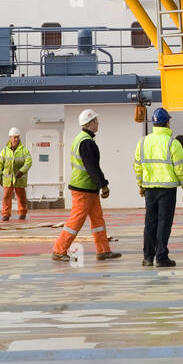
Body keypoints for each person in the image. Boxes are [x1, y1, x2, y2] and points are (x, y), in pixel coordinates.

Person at [52, 108, 121, 262]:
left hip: (88, 188)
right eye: (96, 121)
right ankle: (59, 250)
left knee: (97, 220)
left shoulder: (82, 139)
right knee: (75, 221)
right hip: (83, 189)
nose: (98, 123)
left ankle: (103, 251)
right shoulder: (86, 142)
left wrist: (100, 185)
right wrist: (103, 185)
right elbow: (92, 167)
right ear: (91, 123)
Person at [133, 107, 183, 268]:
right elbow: (181, 168)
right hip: (167, 190)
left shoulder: (143, 142)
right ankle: (161, 257)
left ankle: (147, 257)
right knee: (164, 223)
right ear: (167, 122)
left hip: (149, 189)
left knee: (150, 223)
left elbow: (138, 167)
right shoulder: (173, 143)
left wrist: (141, 185)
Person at [0, 127, 32, 221]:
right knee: (6, 197)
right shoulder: (4, 151)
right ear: (10, 138)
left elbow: (29, 162)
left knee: (21, 196)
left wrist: (22, 171)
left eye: (17, 137)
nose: (15, 139)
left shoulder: (24, 150)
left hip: (19, 178)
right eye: (14, 137)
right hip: (8, 179)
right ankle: (6, 214)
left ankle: (22, 213)